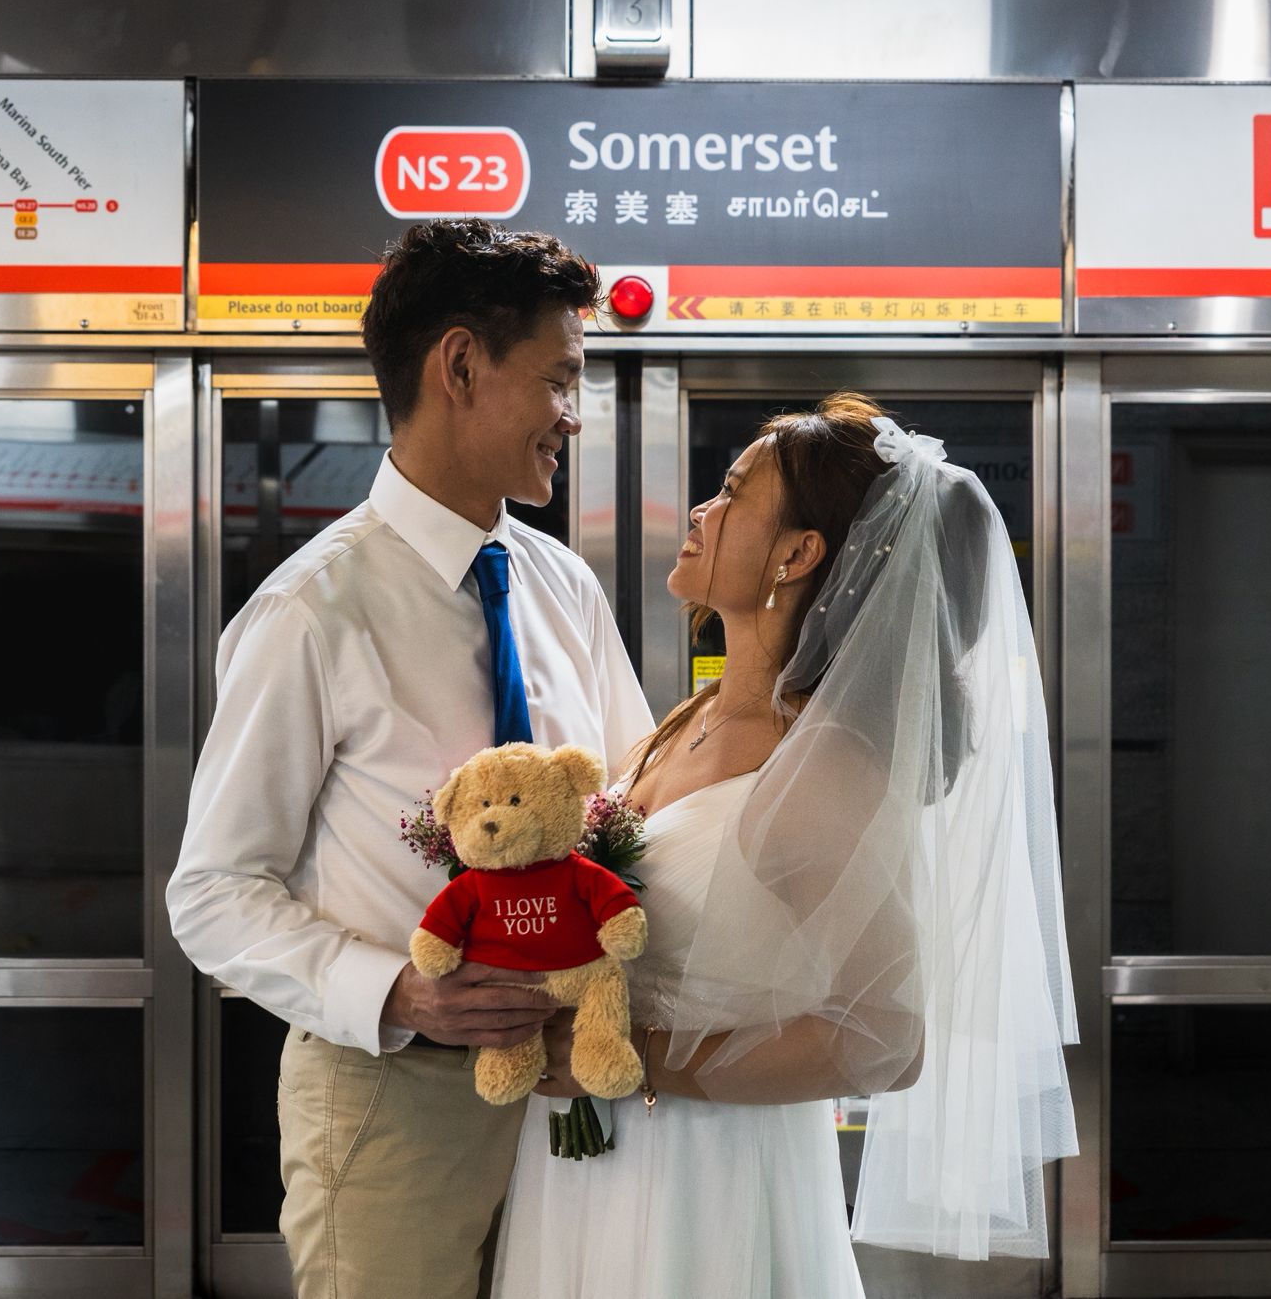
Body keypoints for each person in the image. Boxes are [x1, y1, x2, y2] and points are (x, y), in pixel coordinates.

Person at [494, 394, 1080, 1298]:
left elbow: (885, 1037)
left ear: (799, 554)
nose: (701, 512)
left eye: (730, 493)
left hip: (699, 1168)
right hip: (593, 1149)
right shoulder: (684, 721)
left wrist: (642, 1058)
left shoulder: (821, 764)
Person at [167, 220, 653, 1299]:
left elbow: (631, 807)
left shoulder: (560, 586)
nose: (571, 413)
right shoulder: (312, 610)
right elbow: (212, 894)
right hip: (393, 1098)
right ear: (461, 365)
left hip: (568, 1095)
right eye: (558, 378)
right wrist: (400, 994)